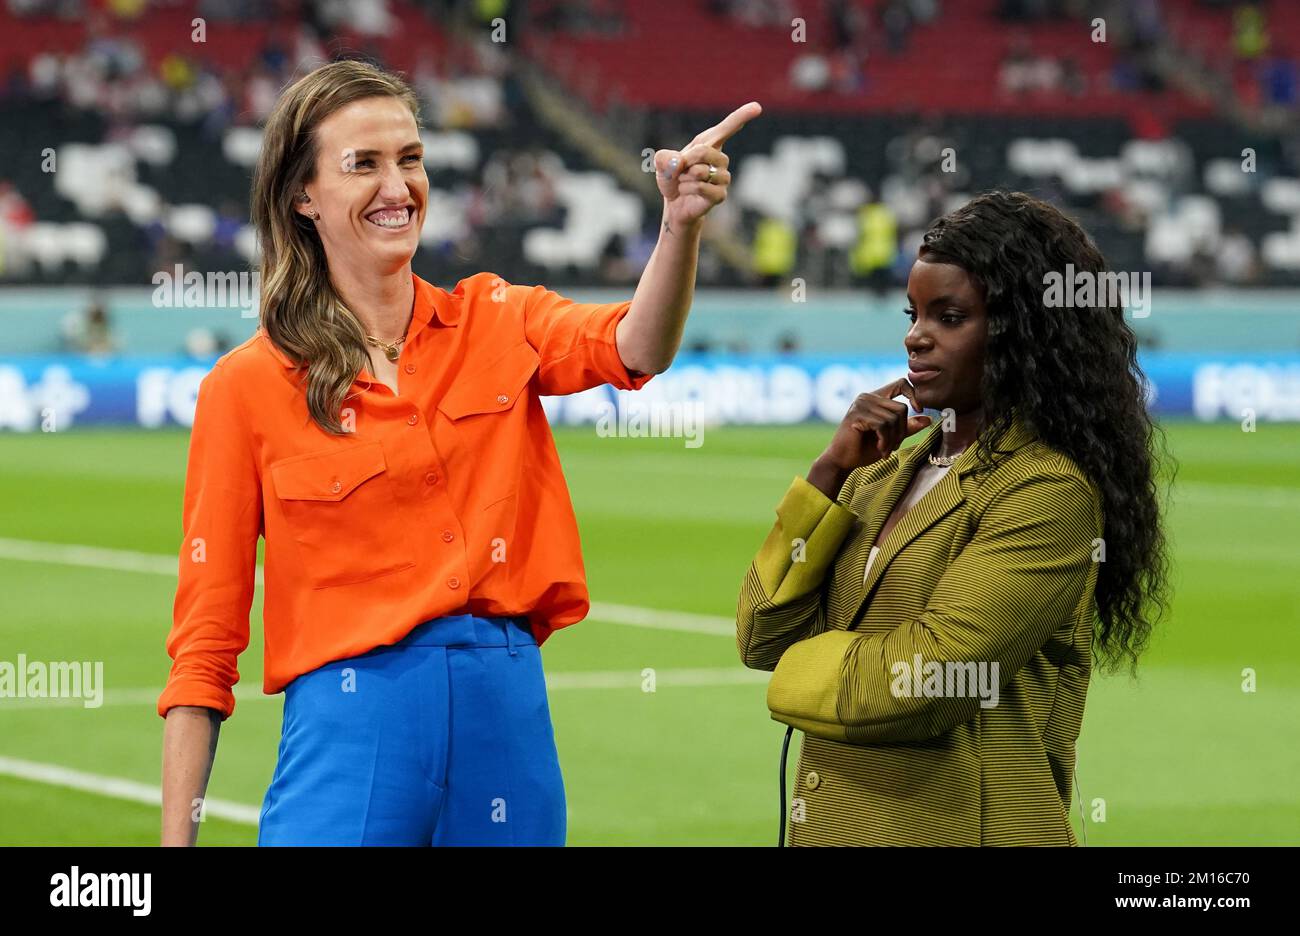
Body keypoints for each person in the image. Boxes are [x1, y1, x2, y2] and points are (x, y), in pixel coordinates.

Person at [158, 59, 760, 846]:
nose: (397, 186)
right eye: (363, 165)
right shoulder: (245, 387)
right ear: (302, 196)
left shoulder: (498, 316)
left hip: (505, 723)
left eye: (410, 159)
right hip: (348, 735)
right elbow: (205, 643)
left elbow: (634, 347)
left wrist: (680, 227)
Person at [737, 190, 1172, 846]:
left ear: (1023, 328)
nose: (916, 336)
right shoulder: (879, 474)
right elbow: (763, 634)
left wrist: (799, 669)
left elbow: (928, 680)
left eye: (950, 316)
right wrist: (828, 474)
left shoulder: (1046, 492)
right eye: (913, 314)